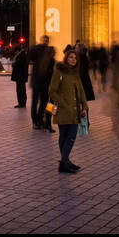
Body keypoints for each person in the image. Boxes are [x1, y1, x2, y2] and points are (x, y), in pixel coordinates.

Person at [48, 46, 88, 174]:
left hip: (74, 110)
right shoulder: (59, 72)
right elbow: (52, 91)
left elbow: (81, 91)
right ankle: (65, 162)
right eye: (71, 57)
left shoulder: (75, 73)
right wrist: (63, 103)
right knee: (65, 136)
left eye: (75, 58)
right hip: (63, 110)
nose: (73, 60)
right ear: (66, 58)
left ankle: (64, 161)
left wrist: (85, 106)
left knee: (71, 136)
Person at [29, 36, 55, 132]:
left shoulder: (50, 53)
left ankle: (40, 119)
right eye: (44, 40)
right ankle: (36, 121)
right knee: (36, 102)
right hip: (38, 82)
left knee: (44, 102)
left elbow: (52, 69)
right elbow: (31, 56)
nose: (46, 42)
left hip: (46, 83)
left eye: (47, 40)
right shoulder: (37, 50)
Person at [10, 43, 29, 109]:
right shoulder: (22, 55)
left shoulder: (22, 56)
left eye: (15, 52)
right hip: (21, 77)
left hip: (20, 77)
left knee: (20, 90)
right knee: (21, 90)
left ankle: (22, 103)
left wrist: (14, 64)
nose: (15, 53)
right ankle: (21, 103)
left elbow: (17, 65)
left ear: (17, 51)